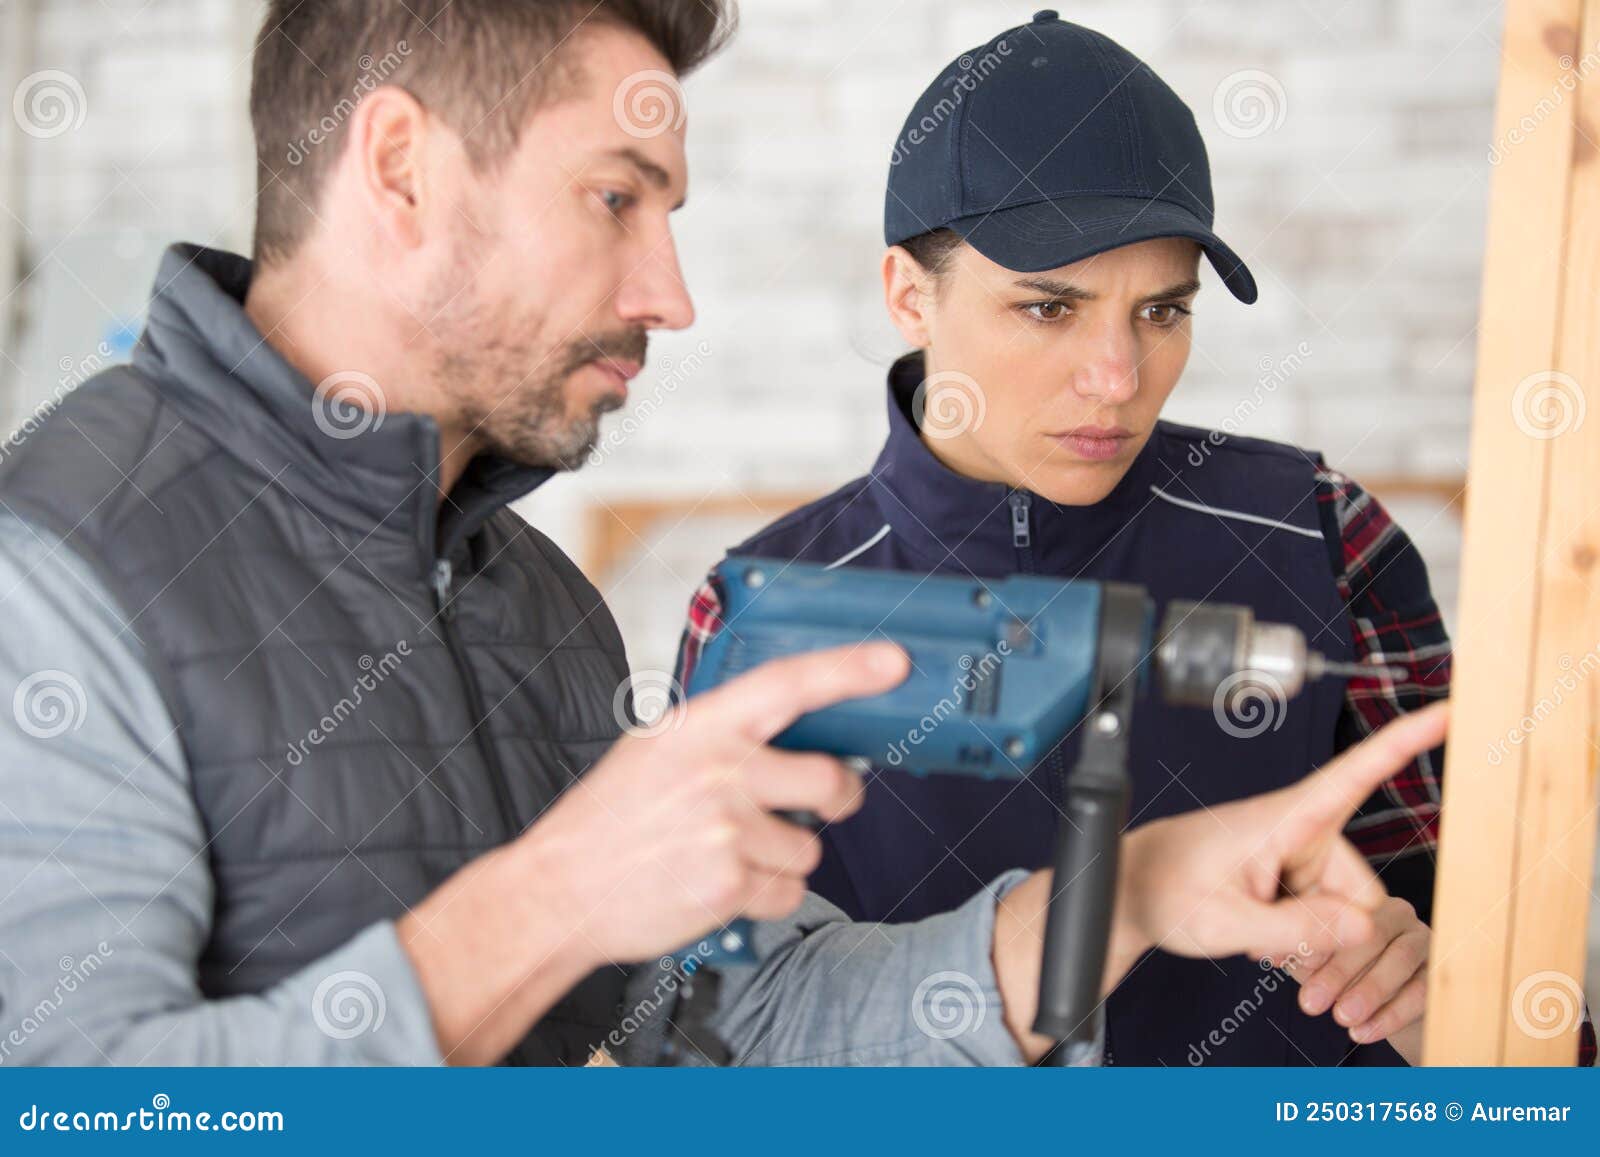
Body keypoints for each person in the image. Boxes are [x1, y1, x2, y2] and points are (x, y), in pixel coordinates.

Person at [0, 0, 1462, 1070]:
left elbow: (738, 1029)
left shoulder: (543, 615)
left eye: (1160, 312)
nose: (672, 291)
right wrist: (553, 897)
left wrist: (1129, 893)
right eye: (616, 200)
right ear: (399, 169)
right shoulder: (53, 564)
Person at [678, 11, 1595, 1067]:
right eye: (1048, 309)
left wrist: (1448, 994)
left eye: (1161, 311)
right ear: (907, 295)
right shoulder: (767, 608)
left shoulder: (1318, 535)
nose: (1118, 377)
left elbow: (1512, 1001)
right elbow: (717, 1046)